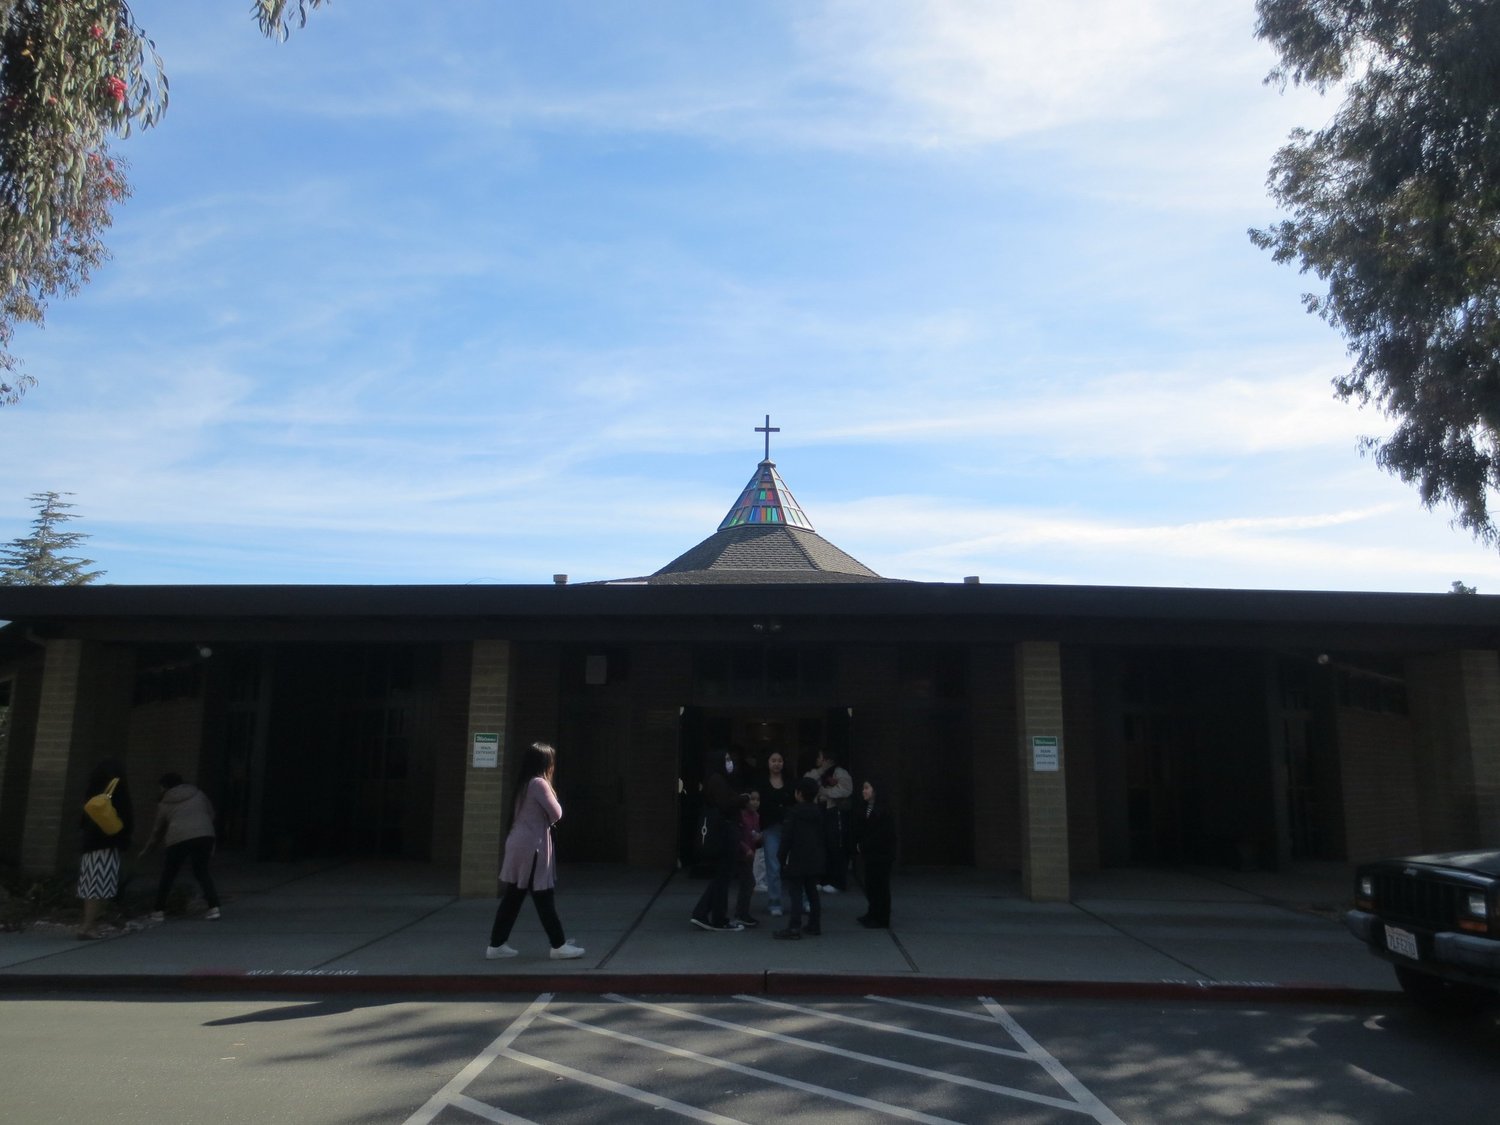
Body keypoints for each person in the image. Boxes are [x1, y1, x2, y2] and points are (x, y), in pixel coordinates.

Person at [487, 741, 585, 960]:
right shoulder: (539, 784)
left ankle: (497, 944)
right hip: (532, 847)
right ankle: (558, 946)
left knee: (514, 896)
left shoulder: (524, 784)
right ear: (545, 762)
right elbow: (557, 812)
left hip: (520, 844)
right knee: (543, 896)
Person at [139, 772, 220, 922]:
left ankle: (158, 911)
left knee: (169, 875)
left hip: (178, 838)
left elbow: (158, 830)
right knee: (202, 871)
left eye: (160, 787)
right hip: (204, 835)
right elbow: (211, 813)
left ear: (164, 787)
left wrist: (148, 849)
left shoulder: (164, 802)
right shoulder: (199, 794)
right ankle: (214, 907)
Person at [690, 749, 749, 932]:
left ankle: (713, 915)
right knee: (723, 876)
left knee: (723, 876)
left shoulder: (716, 779)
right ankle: (712, 916)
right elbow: (725, 804)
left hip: (722, 831)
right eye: (726, 759)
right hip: (724, 832)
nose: (730, 762)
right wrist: (742, 799)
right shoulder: (718, 780)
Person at [77, 758, 134, 939]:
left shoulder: (92, 789)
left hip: (90, 844)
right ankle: (88, 926)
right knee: (100, 886)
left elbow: (83, 820)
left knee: (90, 886)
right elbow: (125, 817)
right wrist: (125, 840)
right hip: (108, 844)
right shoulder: (117, 789)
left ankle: (88, 924)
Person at [773, 776, 826, 940]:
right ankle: (814, 924)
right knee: (812, 892)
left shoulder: (794, 813)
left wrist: (781, 858)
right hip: (815, 857)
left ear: (799, 793)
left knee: (795, 892)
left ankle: (794, 927)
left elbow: (787, 838)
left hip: (797, 857)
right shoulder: (819, 812)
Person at [806, 749, 853, 893]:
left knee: (835, 845)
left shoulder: (840, 773)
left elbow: (846, 790)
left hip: (833, 811)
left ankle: (838, 881)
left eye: (820, 757)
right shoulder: (816, 772)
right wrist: (821, 771)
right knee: (821, 846)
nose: (818, 759)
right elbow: (807, 781)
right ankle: (823, 879)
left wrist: (825, 792)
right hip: (819, 811)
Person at [853, 778, 898, 928]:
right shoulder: (865, 807)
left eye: (867, 788)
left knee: (881, 886)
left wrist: (863, 845)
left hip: (882, 854)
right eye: (863, 788)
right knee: (871, 885)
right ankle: (872, 913)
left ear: (875, 791)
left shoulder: (883, 810)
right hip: (870, 854)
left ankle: (882, 917)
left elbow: (883, 834)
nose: (863, 791)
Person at [756, 750, 794, 918]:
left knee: (796, 864)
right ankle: (775, 902)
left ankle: (803, 901)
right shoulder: (761, 783)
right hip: (771, 828)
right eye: (773, 760)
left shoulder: (791, 782)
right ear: (768, 763)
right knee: (773, 866)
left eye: (780, 760)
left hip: (790, 828)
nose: (777, 763)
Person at [732, 790, 763, 927]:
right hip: (741, 853)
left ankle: (742, 912)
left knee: (746, 883)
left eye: (758, 799)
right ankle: (741, 913)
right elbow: (737, 837)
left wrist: (758, 839)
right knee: (749, 882)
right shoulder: (741, 816)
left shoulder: (756, 816)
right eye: (752, 799)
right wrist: (746, 848)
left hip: (750, 854)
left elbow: (754, 834)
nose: (755, 802)